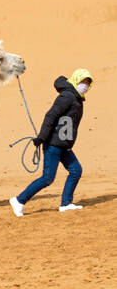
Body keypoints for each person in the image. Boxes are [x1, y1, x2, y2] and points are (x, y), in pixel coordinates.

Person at [10, 68, 90, 216]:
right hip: (53, 145)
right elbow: (50, 116)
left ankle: (66, 203)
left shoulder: (76, 98)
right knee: (47, 178)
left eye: (87, 83)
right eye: (82, 81)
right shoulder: (67, 96)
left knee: (76, 170)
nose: (85, 85)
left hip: (64, 146)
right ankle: (19, 200)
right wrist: (41, 137)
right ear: (76, 80)